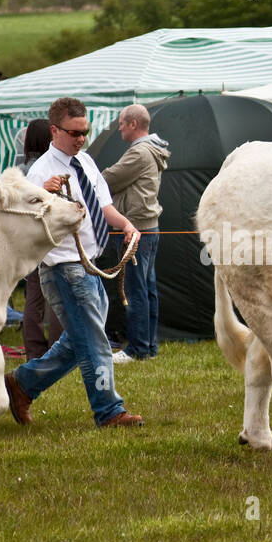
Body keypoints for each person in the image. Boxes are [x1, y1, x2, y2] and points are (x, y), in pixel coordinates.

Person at [6, 97, 145, 429]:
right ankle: (109, 410)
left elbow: (103, 206)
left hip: (91, 265)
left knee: (78, 340)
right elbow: (25, 220)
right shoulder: (41, 173)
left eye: (85, 131)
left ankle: (22, 384)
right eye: (74, 133)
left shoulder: (86, 162)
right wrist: (44, 193)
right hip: (64, 267)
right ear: (55, 130)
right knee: (94, 339)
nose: (81, 138)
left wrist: (126, 225)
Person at [101, 104, 169, 363]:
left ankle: (137, 349)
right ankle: (149, 347)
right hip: (149, 227)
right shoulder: (152, 149)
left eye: (121, 123)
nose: (118, 128)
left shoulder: (139, 153)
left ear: (132, 124)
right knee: (147, 288)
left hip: (136, 229)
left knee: (135, 290)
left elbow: (108, 178)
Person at [17, 117, 63, 360]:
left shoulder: (21, 170)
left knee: (33, 298)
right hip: (47, 240)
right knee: (56, 296)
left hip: (31, 243)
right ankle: (56, 351)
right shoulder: (45, 169)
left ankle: (35, 352)